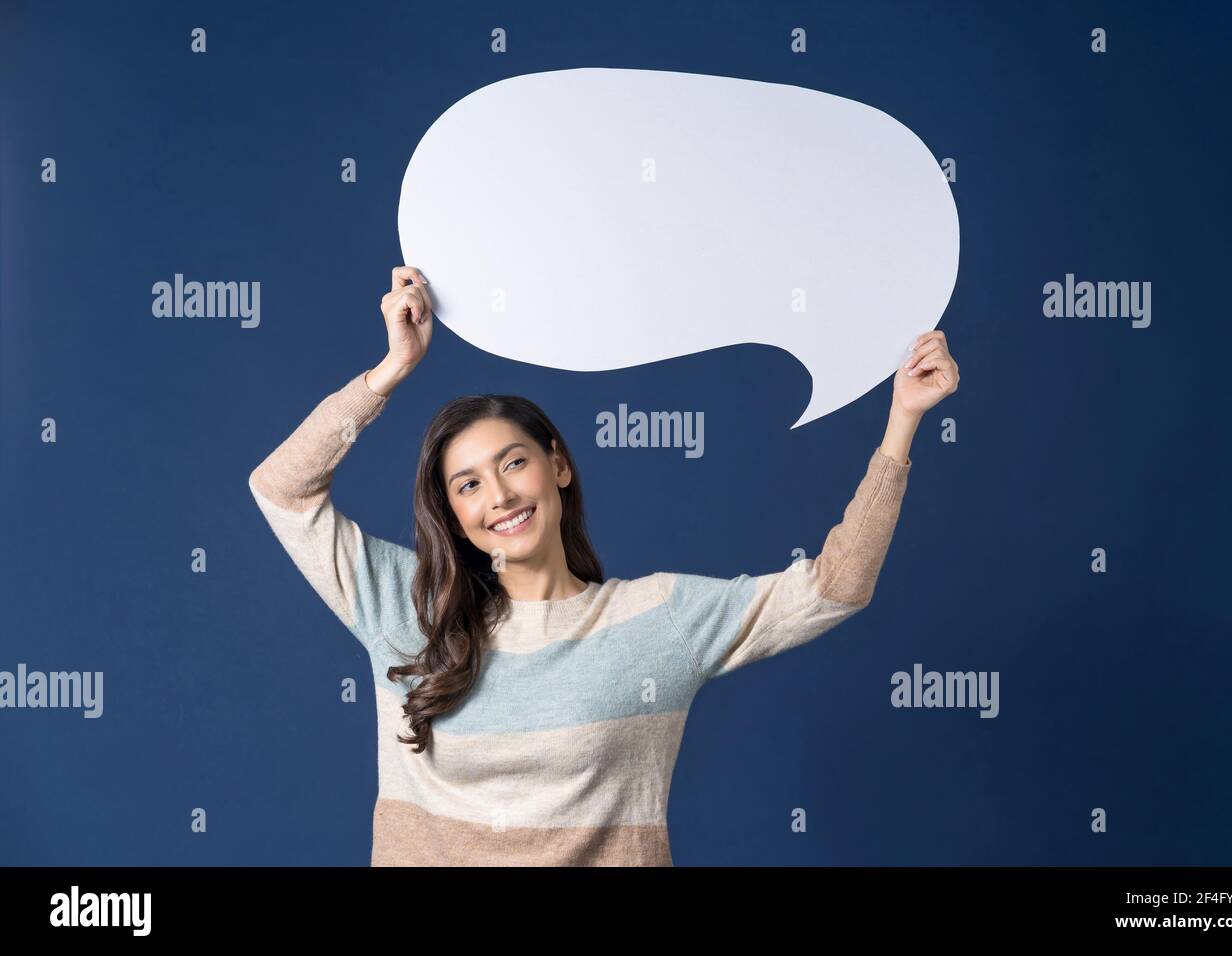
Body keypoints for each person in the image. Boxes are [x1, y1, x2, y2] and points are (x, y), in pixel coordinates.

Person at [248, 266, 960, 865]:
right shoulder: (402, 607)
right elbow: (281, 487)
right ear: (451, 511)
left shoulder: (658, 619)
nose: (498, 496)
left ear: (556, 465)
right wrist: (391, 370)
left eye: (514, 463)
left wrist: (901, 424)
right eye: (468, 484)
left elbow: (835, 588)